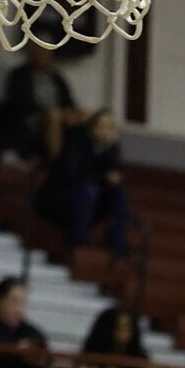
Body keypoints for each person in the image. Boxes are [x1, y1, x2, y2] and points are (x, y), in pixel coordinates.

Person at [35, 110, 129, 257]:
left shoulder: (111, 148)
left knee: (119, 195)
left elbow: (115, 173)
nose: (106, 131)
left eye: (110, 127)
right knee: (88, 189)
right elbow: (73, 172)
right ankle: (79, 240)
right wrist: (104, 178)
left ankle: (117, 244)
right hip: (61, 196)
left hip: (91, 200)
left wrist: (112, 176)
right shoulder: (77, 141)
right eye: (103, 126)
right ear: (92, 128)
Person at [0, 41, 79, 160]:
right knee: (54, 116)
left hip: (58, 113)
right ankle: (56, 163)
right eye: (40, 52)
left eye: (47, 52)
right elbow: (17, 103)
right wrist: (46, 111)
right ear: (32, 54)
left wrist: (69, 112)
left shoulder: (56, 76)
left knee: (86, 116)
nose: (44, 56)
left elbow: (68, 100)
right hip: (32, 117)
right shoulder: (19, 75)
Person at [80, 304, 146, 368]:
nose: (124, 332)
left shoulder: (139, 359)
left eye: (128, 328)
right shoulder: (90, 355)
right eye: (119, 327)